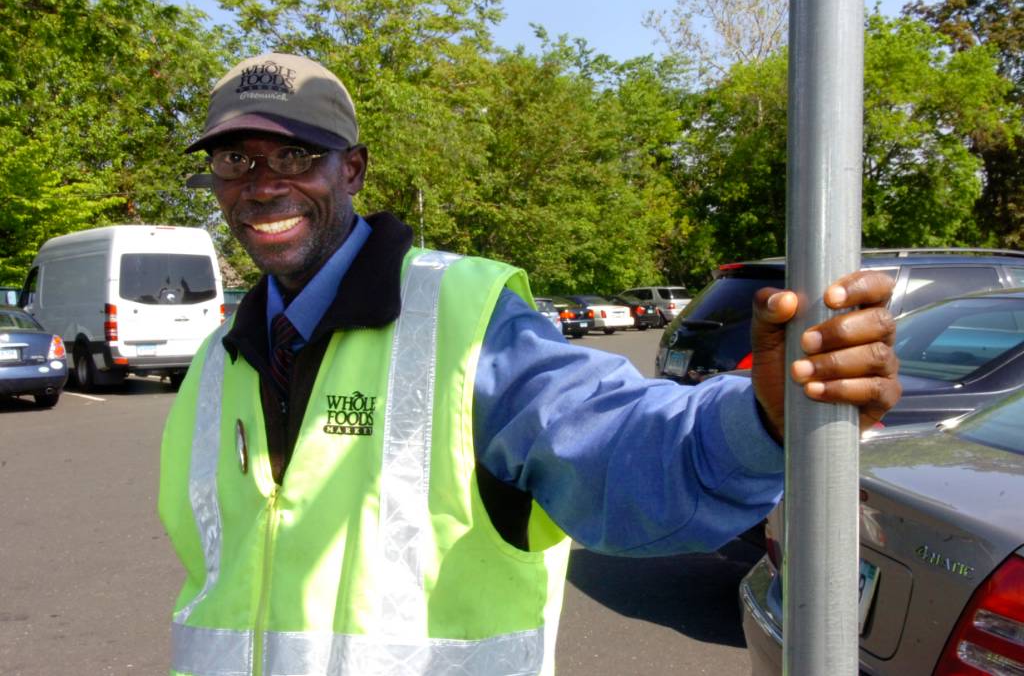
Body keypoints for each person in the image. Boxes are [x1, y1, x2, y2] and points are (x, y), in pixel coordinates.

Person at [159, 52, 900, 676]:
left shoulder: (462, 319)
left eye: (296, 155)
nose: (263, 183)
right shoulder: (218, 360)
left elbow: (613, 443)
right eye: (235, 159)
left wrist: (760, 418)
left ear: (351, 170)